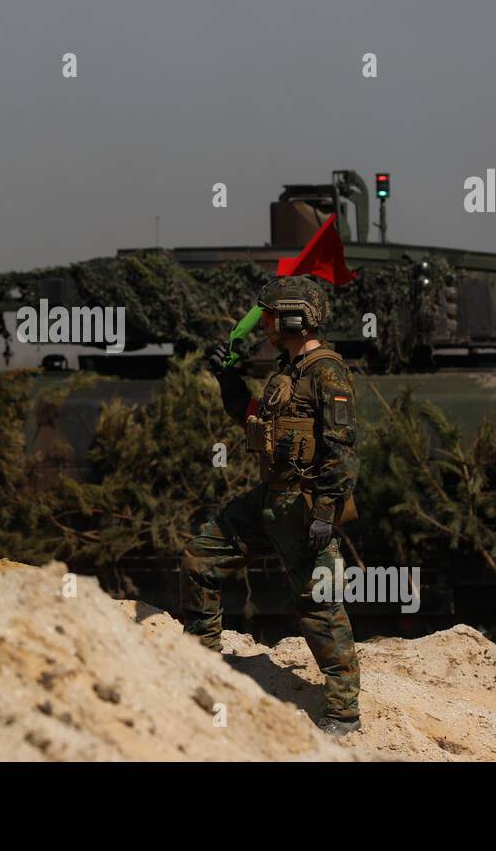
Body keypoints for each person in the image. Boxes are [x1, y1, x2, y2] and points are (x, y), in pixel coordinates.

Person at [182, 275, 362, 735]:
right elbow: (252, 418)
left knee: (320, 606)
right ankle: (201, 666)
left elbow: (343, 451)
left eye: (270, 316)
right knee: (201, 557)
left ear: (296, 318)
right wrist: (228, 377)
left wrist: (324, 514)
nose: (262, 324)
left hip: (302, 509)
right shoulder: (287, 372)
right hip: (270, 500)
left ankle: (343, 713)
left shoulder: (327, 372)